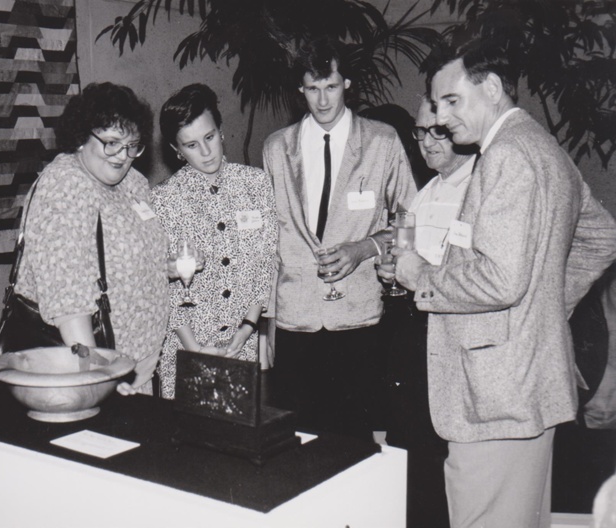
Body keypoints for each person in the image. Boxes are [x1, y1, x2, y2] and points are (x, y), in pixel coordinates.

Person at [390, 39, 616, 527]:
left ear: (491, 88)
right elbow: (602, 236)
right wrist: (545, 305)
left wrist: (419, 274)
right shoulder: (542, 145)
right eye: (436, 104)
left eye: (452, 101)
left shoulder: (504, 156)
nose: (443, 117)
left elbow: (501, 279)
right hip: (523, 386)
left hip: (492, 394)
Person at [262, 37, 417, 438]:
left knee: (355, 439)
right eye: (312, 89)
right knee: (298, 440)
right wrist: (271, 323)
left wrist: (365, 248)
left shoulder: (382, 141)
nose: (323, 100)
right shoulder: (276, 148)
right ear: (300, 91)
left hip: (359, 317)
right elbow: (269, 242)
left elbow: (411, 220)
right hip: (296, 317)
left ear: (347, 84)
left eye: (331, 86)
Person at [13, 82, 169, 396]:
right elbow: (67, 297)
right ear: (83, 136)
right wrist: (98, 374)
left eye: (132, 145)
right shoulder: (66, 184)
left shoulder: (134, 182)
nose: (123, 156)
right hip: (96, 366)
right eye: (111, 143)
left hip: (139, 363)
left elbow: (126, 256)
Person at [379, 96, 477, 528]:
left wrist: (415, 272)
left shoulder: (479, 189)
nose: (427, 142)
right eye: (421, 132)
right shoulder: (425, 194)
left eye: (437, 131)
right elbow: (405, 264)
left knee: (445, 468)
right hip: (413, 339)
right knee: (412, 461)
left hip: (453, 343)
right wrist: (391, 273)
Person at [152, 84, 278, 399]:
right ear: (176, 149)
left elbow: (267, 260)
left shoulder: (256, 184)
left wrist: (247, 329)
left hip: (244, 346)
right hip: (187, 350)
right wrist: (196, 351)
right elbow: (165, 288)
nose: (206, 152)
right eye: (191, 145)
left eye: (209, 138)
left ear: (221, 131)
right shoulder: (163, 199)